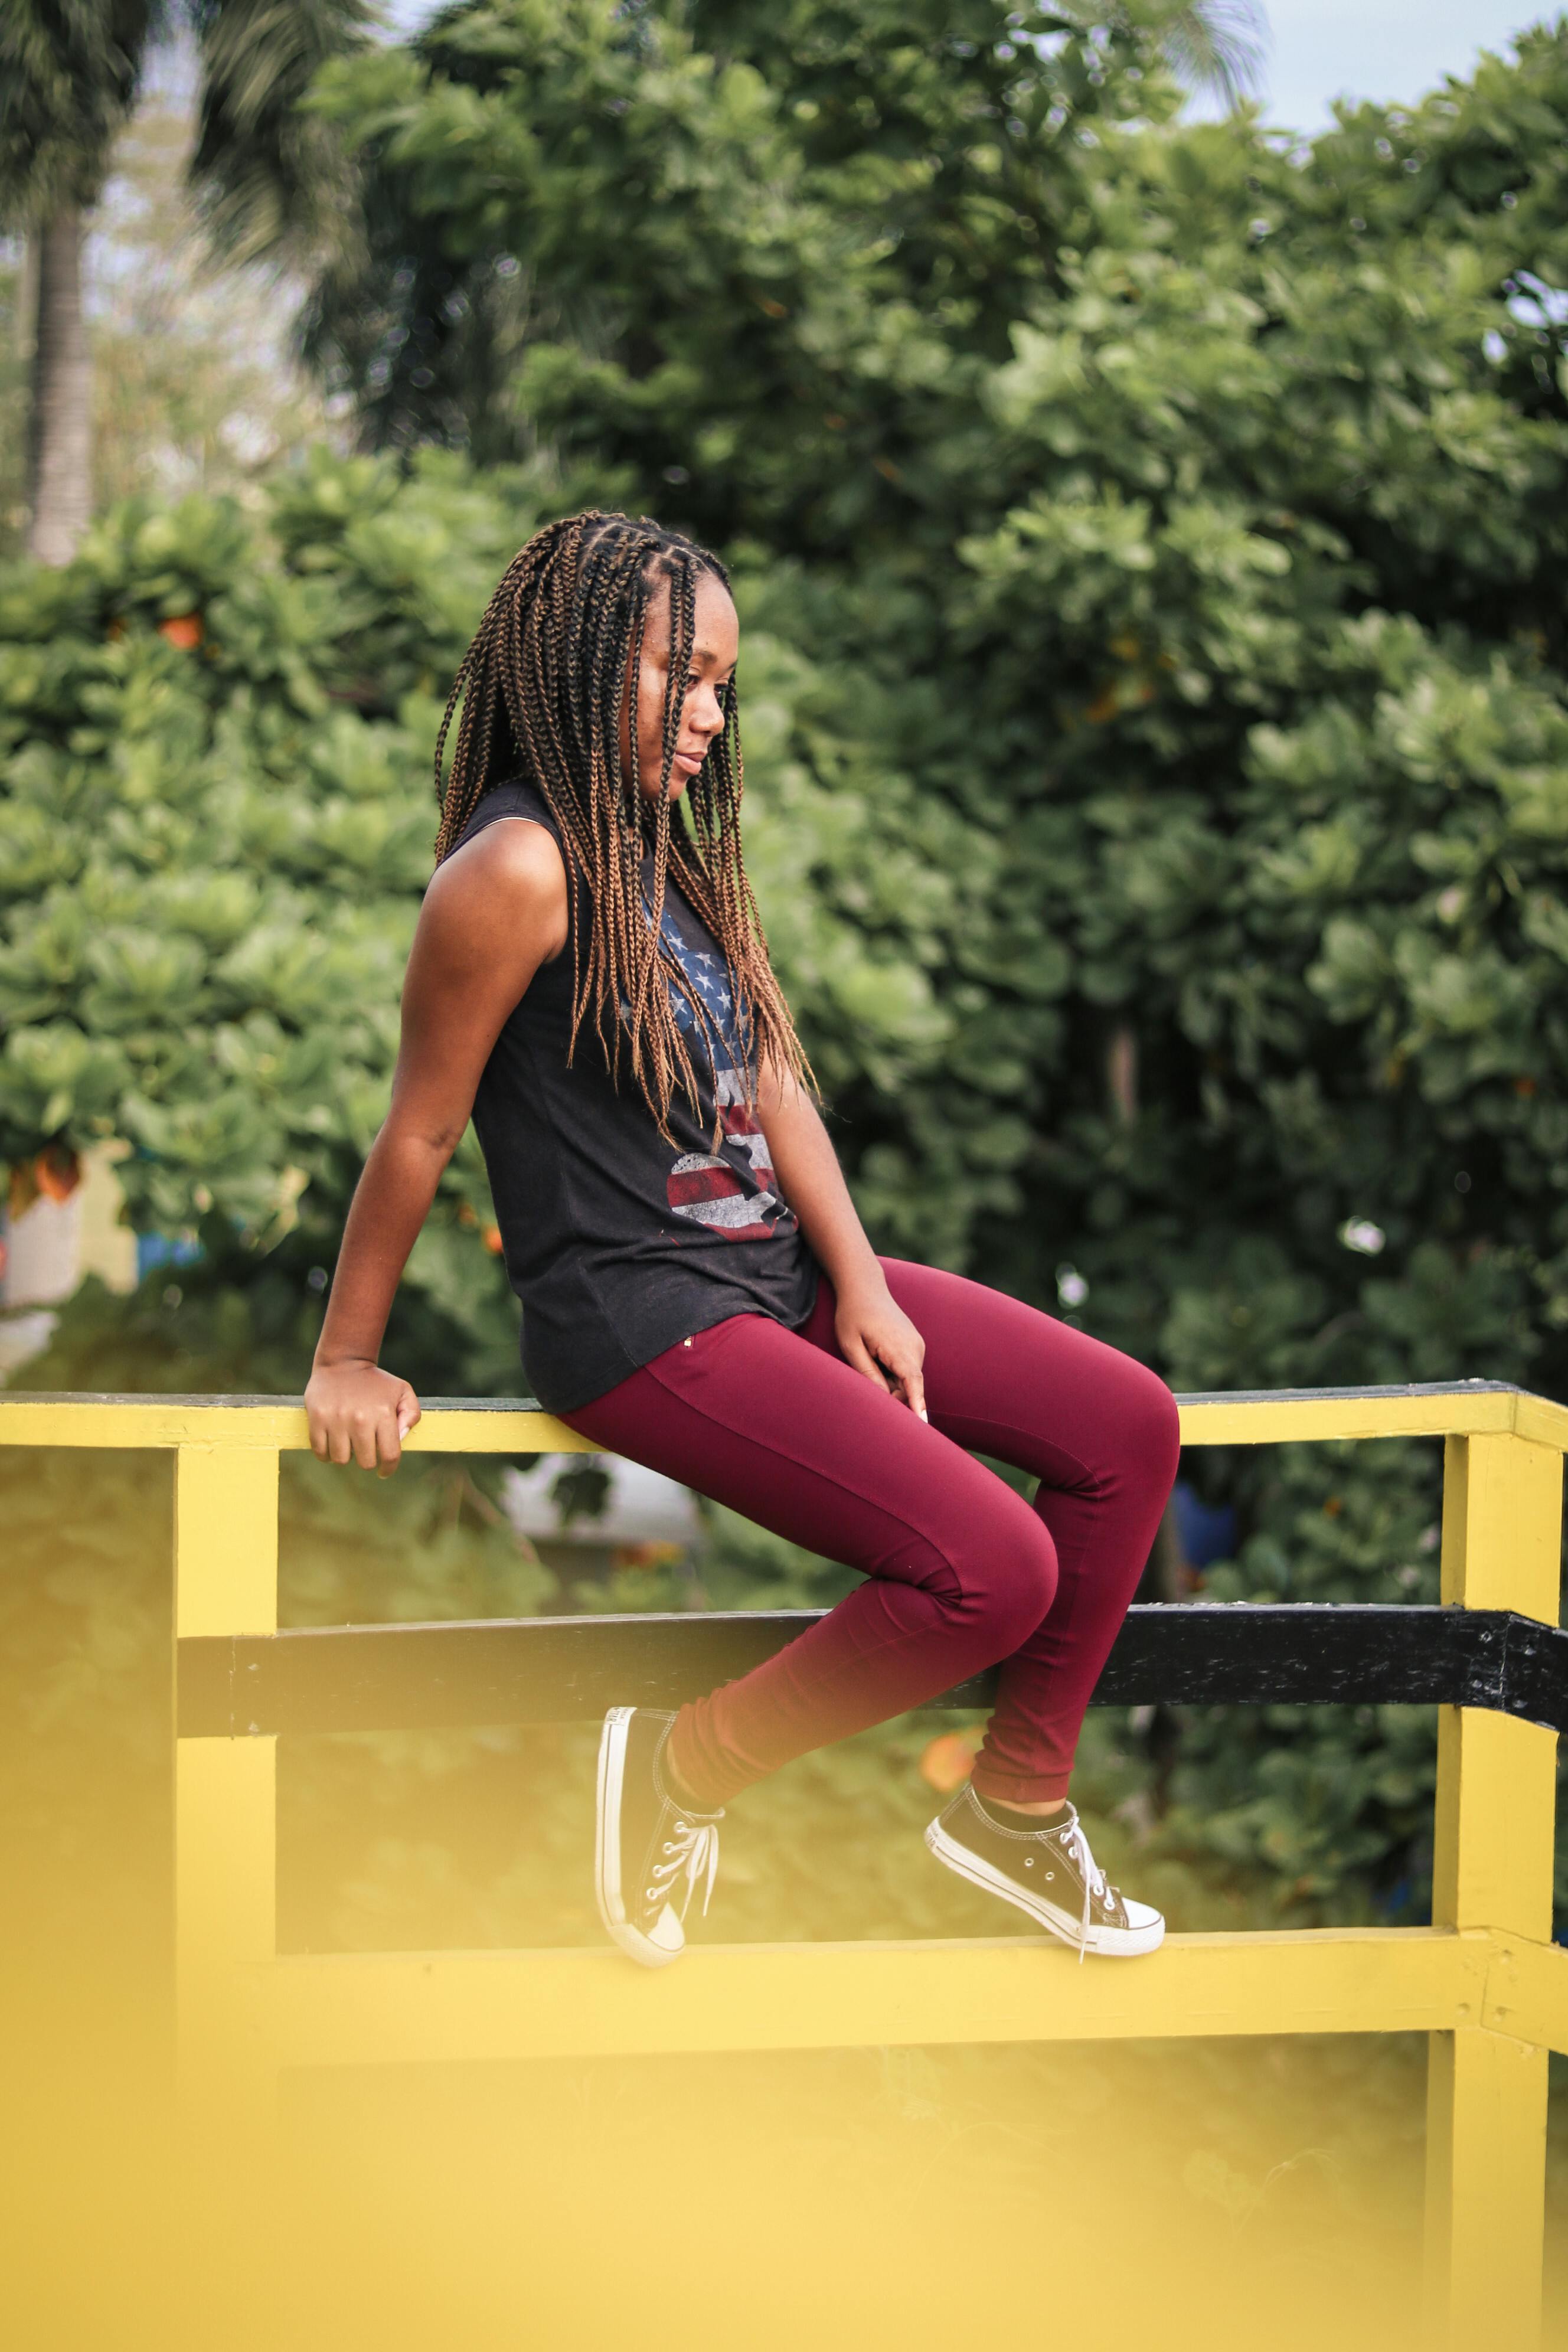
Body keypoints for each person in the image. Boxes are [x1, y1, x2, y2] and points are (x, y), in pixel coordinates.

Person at [304, 510, 1181, 1971]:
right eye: (679, 676)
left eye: (722, 686)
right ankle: (678, 1770)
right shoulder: (514, 871)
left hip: (767, 1279)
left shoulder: (663, 856)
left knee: (1123, 1424)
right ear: (583, 664)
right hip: (642, 1318)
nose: (709, 716)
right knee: (992, 1567)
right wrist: (346, 1356)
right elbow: (415, 1132)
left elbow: (768, 1077)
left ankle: (1016, 1807)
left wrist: (855, 1276)